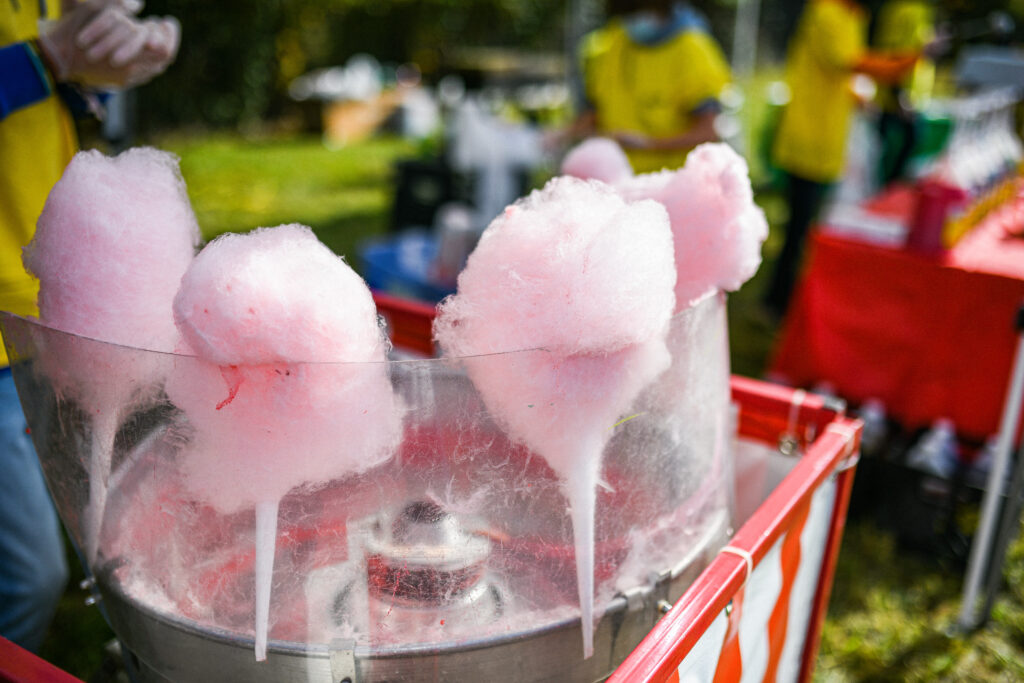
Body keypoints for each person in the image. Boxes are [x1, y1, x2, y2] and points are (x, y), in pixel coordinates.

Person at [0, 0, 178, 652]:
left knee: (98, 518)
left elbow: (56, 104)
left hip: (49, 302)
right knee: (29, 576)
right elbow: (41, 64)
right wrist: (45, 58)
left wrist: (129, 55)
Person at [764, 0, 919, 318]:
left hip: (829, 137)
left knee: (811, 226)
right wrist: (905, 60)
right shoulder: (826, 12)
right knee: (798, 228)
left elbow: (841, 73)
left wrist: (857, 95)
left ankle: (795, 297)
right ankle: (776, 302)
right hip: (808, 135)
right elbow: (846, 62)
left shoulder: (852, 16)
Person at [577, 0, 731, 173]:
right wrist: (559, 135)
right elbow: (594, 110)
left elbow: (707, 131)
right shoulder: (613, 42)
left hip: (673, 181)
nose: (633, 19)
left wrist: (649, 144)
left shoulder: (692, 50)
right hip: (614, 178)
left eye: (639, 10)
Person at [874, 0, 937, 185]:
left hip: (908, 99)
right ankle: (885, 192)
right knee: (890, 151)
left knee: (902, 147)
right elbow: (894, 55)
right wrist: (899, 95)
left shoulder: (921, 10)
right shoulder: (904, 10)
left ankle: (889, 191)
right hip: (897, 100)